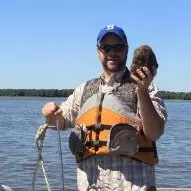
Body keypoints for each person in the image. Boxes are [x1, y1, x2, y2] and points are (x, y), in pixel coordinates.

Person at [42, 24, 167, 191]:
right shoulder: (84, 89)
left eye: (118, 47)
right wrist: (50, 113)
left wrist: (142, 91)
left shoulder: (147, 88)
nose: (112, 52)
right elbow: (60, 120)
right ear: (98, 50)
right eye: (106, 47)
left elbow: (155, 132)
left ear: (126, 49)